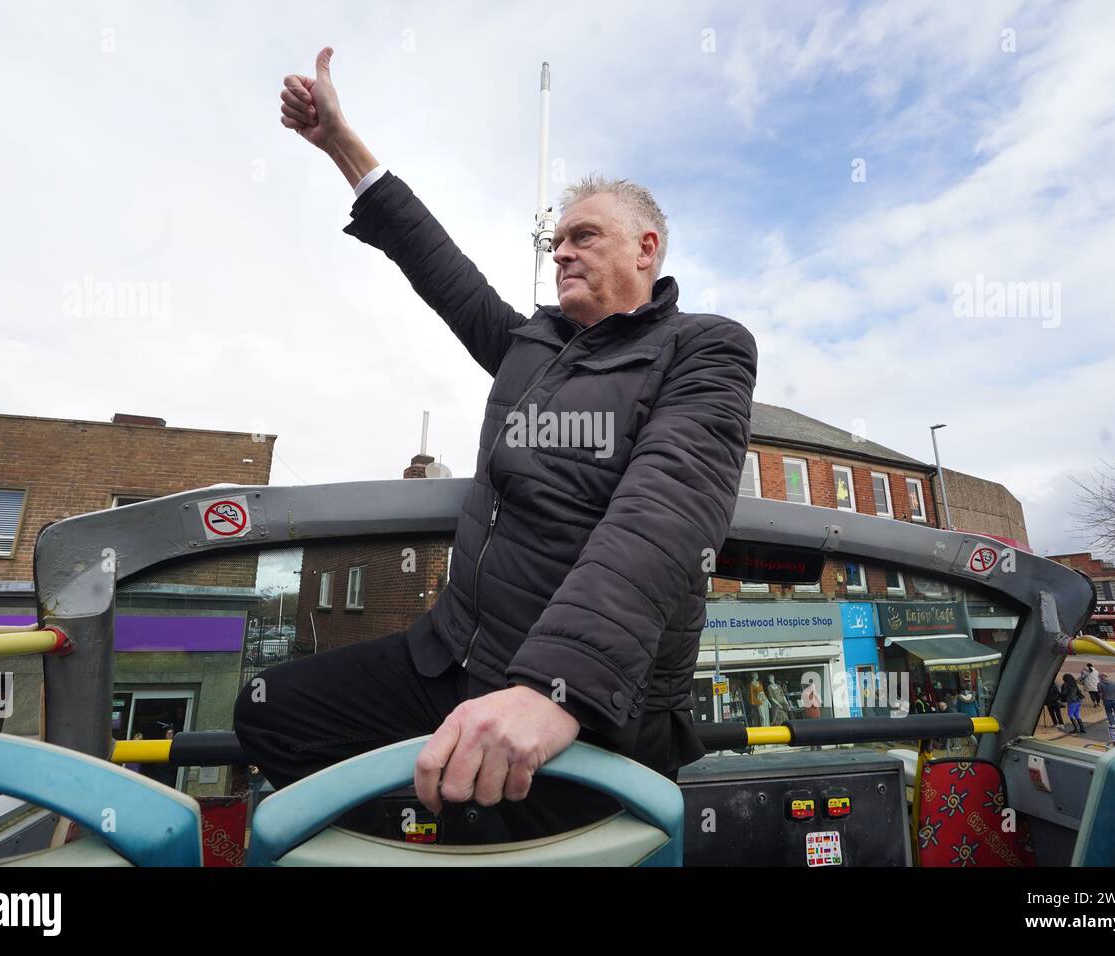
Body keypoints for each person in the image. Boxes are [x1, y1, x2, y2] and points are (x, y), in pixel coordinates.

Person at [235, 47, 759, 840]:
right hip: (450, 655)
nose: (562, 252)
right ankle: (427, 829)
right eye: (556, 243)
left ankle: (456, 824)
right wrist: (341, 141)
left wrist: (556, 690)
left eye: (584, 236)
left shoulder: (705, 348)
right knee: (269, 713)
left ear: (646, 248)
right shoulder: (532, 344)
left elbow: (665, 513)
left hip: (581, 705)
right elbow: (436, 263)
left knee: (506, 831)